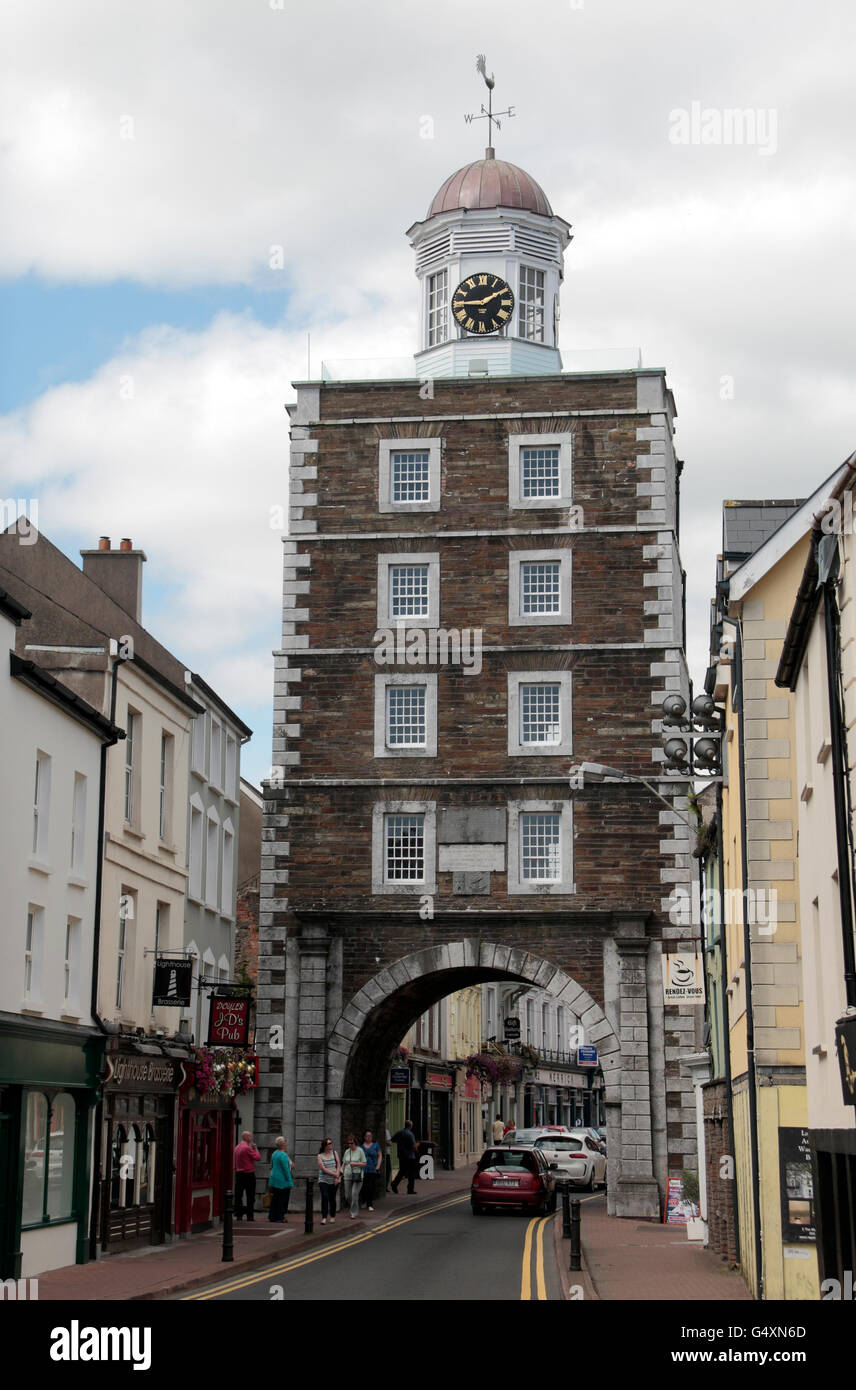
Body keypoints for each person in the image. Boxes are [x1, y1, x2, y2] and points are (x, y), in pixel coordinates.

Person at [234, 1130, 260, 1221]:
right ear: (245, 1137)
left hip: (239, 1173)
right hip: (248, 1174)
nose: (251, 1138)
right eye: (250, 1137)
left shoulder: (237, 1147)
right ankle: (250, 1215)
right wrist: (255, 1148)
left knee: (239, 1195)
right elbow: (258, 1158)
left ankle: (239, 1214)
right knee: (250, 1195)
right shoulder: (247, 1148)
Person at [268, 1137, 294, 1223]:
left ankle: (272, 1216)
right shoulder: (283, 1155)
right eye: (285, 1143)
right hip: (282, 1180)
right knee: (282, 1199)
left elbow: (271, 1166)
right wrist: (290, 1182)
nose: (286, 1144)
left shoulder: (274, 1153)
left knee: (275, 1198)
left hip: (274, 1179)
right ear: (283, 1144)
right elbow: (286, 1170)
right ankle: (280, 1217)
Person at [342, 1133, 367, 1219]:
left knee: (354, 1194)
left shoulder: (360, 1151)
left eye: (351, 1143)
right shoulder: (347, 1151)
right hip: (347, 1175)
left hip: (357, 1175)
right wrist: (341, 1172)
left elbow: (364, 1164)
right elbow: (344, 1163)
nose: (350, 1145)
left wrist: (355, 1164)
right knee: (347, 1195)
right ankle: (353, 1205)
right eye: (348, 1143)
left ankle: (353, 1213)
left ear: (355, 1142)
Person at [317, 1137, 341, 1224]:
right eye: (329, 1143)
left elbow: (338, 1164)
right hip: (323, 1180)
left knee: (332, 1198)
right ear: (325, 1146)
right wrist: (335, 1174)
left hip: (334, 1180)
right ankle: (324, 1217)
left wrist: (337, 1177)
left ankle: (333, 1216)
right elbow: (323, 1169)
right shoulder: (320, 1156)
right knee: (325, 1196)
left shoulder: (335, 1153)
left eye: (331, 1143)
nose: (331, 1145)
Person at [390, 1119, 418, 1194]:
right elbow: (414, 1146)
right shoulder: (410, 1134)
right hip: (410, 1156)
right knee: (411, 1174)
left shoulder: (399, 1133)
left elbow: (392, 1140)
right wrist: (417, 1147)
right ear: (411, 1126)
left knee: (402, 1171)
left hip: (401, 1155)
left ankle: (394, 1183)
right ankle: (410, 1190)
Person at [361, 1130, 381, 1211]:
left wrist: (378, 1166)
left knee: (371, 1186)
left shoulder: (376, 1145)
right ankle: (363, 1201)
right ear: (364, 1137)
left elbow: (380, 1155)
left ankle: (370, 1204)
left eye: (370, 1136)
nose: (369, 1137)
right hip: (363, 1169)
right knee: (363, 1186)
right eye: (367, 1136)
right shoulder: (361, 1146)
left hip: (373, 1168)